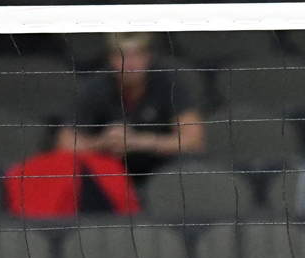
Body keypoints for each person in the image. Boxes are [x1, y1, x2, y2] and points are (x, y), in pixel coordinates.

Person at [61, 32, 204, 177]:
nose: (130, 64)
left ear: (148, 57)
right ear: (111, 59)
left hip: (162, 170)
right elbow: (65, 145)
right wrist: (104, 142)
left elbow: (194, 141)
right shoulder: (96, 87)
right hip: (110, 173)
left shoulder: (167, 83)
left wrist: (139, 141)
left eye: (137, 55)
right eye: (122, 56)